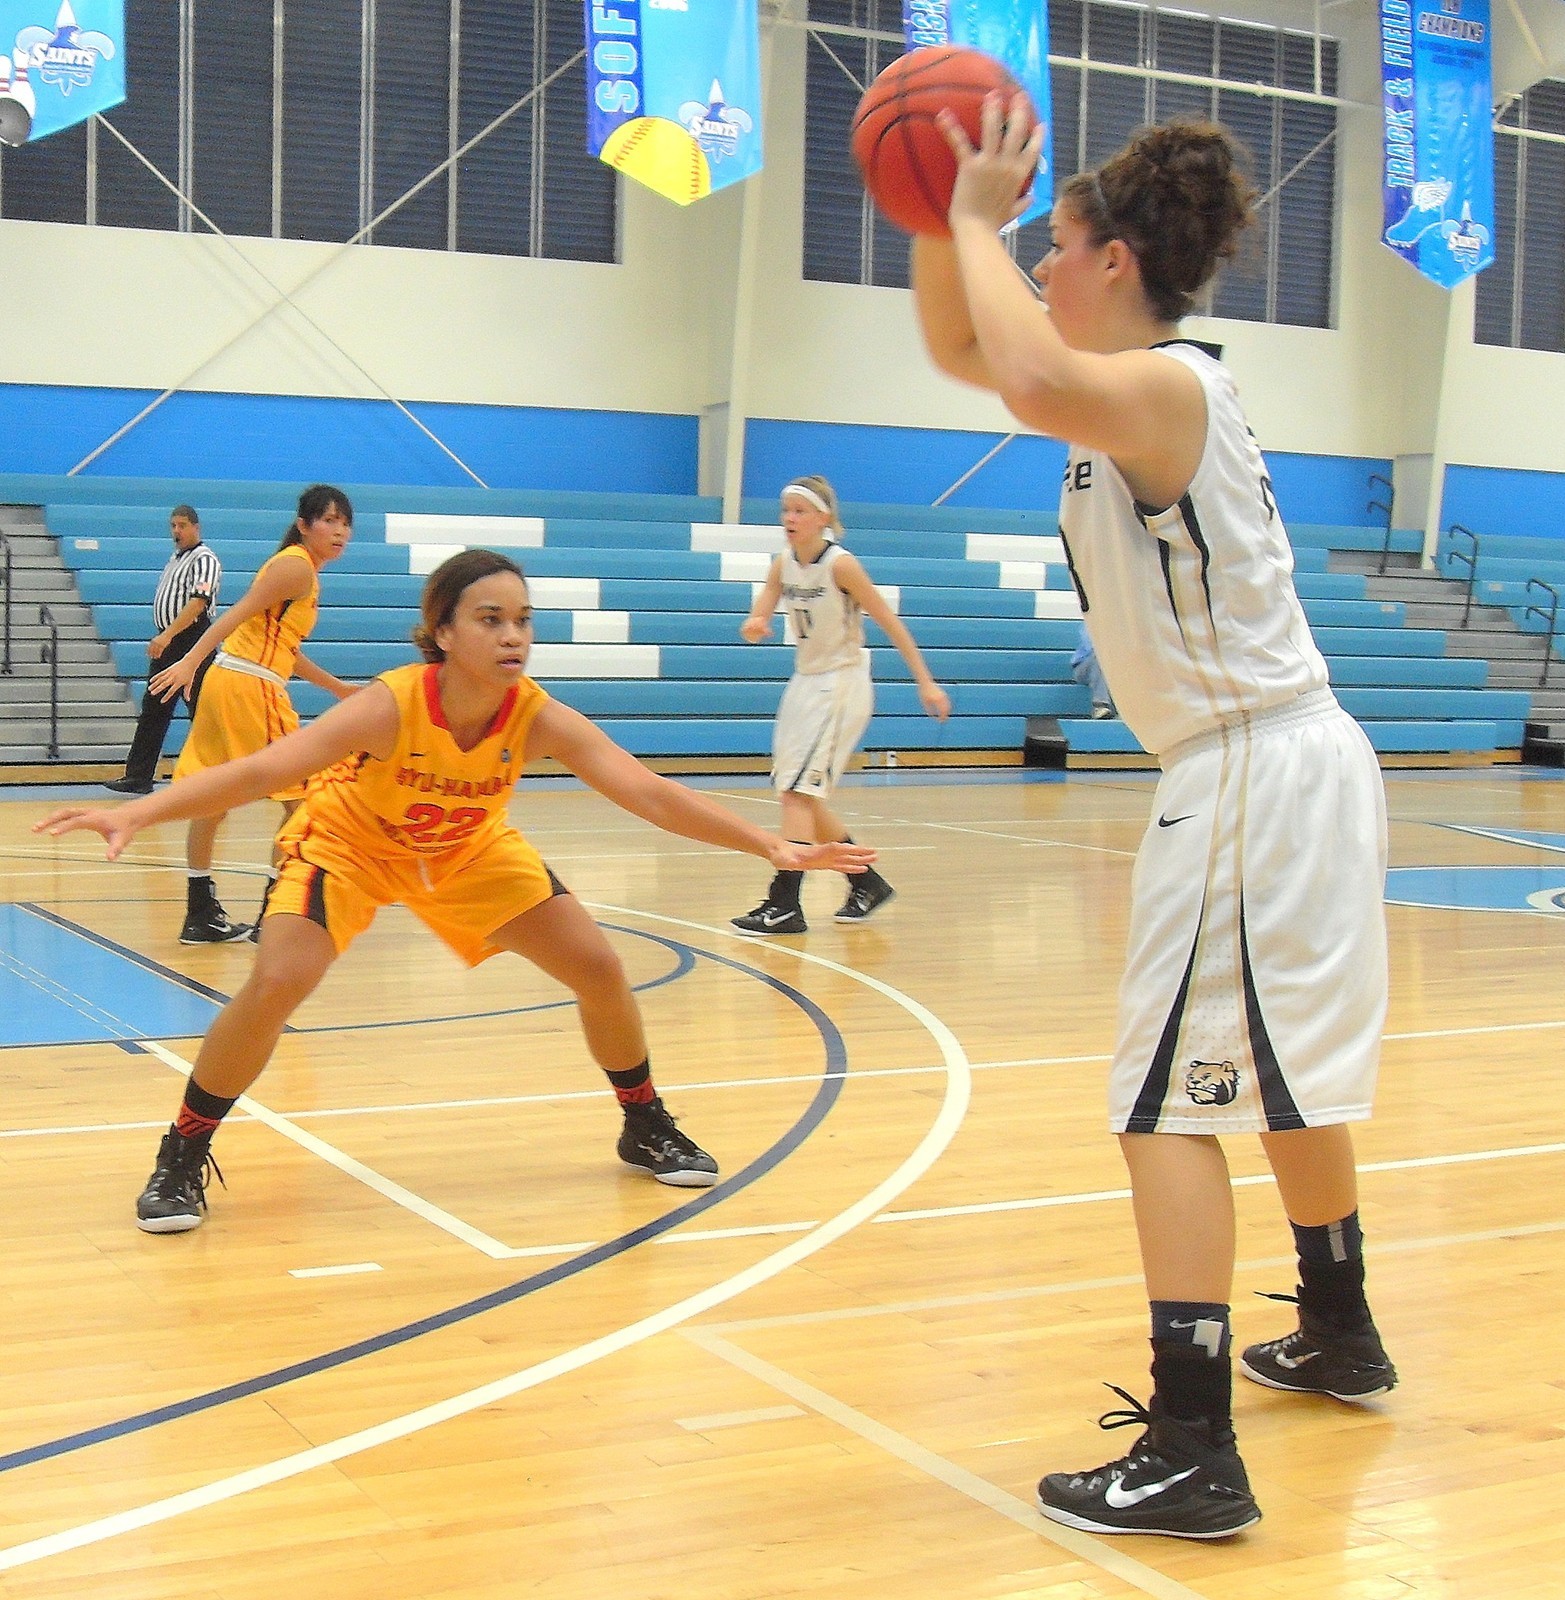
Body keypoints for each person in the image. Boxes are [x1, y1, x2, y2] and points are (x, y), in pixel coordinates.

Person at [912, 108, 1395, 1539]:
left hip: (1247, 767)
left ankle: (1192, 1446)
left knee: (1159, 1105)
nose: (1039, 273)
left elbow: (1021, 361)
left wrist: (970, 223)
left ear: (1111, 259)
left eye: (1053, 251)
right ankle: (1339, 1321)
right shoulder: (1122, 388)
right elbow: (974, 351)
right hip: (1287, 758)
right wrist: (953, 224)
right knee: (1291, 1077)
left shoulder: (1159, 387)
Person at [37, 548, 875, 1234]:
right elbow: (262, 769)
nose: (514, 636)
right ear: (442, 632)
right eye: (490, 619)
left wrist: (767, 840)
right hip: (352, 845)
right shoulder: (389, 706)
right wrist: (142, 813)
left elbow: (648, 791)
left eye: (522, 620)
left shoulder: (534, 713)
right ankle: (184, 1149)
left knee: (598, 967)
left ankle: (643, 1119)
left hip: (467, 851)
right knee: (278, 980)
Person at [730, 475, 951, 935]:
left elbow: (890, 623)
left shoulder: (841, 565)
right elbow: (766, 602)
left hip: (841, 683)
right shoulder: (783, 563)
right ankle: (865, 881)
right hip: (805, 681)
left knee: (796, 792)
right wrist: (756, 621)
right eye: (785, 510)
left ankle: (785, 900)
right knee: (800, 794)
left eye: (799, 511)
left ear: (824, 518)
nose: (789, 519)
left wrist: (926, 683)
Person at [149, 485, 357, 944]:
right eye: (328, 520)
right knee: (304, 801)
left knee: (211, 801)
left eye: (345, 522)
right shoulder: (296, 568)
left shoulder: (299, 571)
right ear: (304, 525)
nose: (340, 530)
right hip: (250, 685)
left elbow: (285, 647)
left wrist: (337, 688)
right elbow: (235, 615)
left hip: (228, 680)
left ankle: (200, 915)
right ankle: (275, 914)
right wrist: (188, 661)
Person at [104, 505, 223, 795]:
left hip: (191, 641)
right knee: (154, 707)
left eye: (182, 525)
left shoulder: (205, 559)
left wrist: (168, 634)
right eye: (172, 526)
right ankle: (139, 775)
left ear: (196, 527)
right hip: (169, 641)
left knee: (201, 707)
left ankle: (219, 774)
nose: (176, 531)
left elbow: (198, 603)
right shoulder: (175, 559)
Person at [1070, 623, 1115, 719]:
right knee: (1099, 656)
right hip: (1084, 667)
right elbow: (1093, 645)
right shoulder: (1092, 623)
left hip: (1114, 670)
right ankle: (1100, 705)